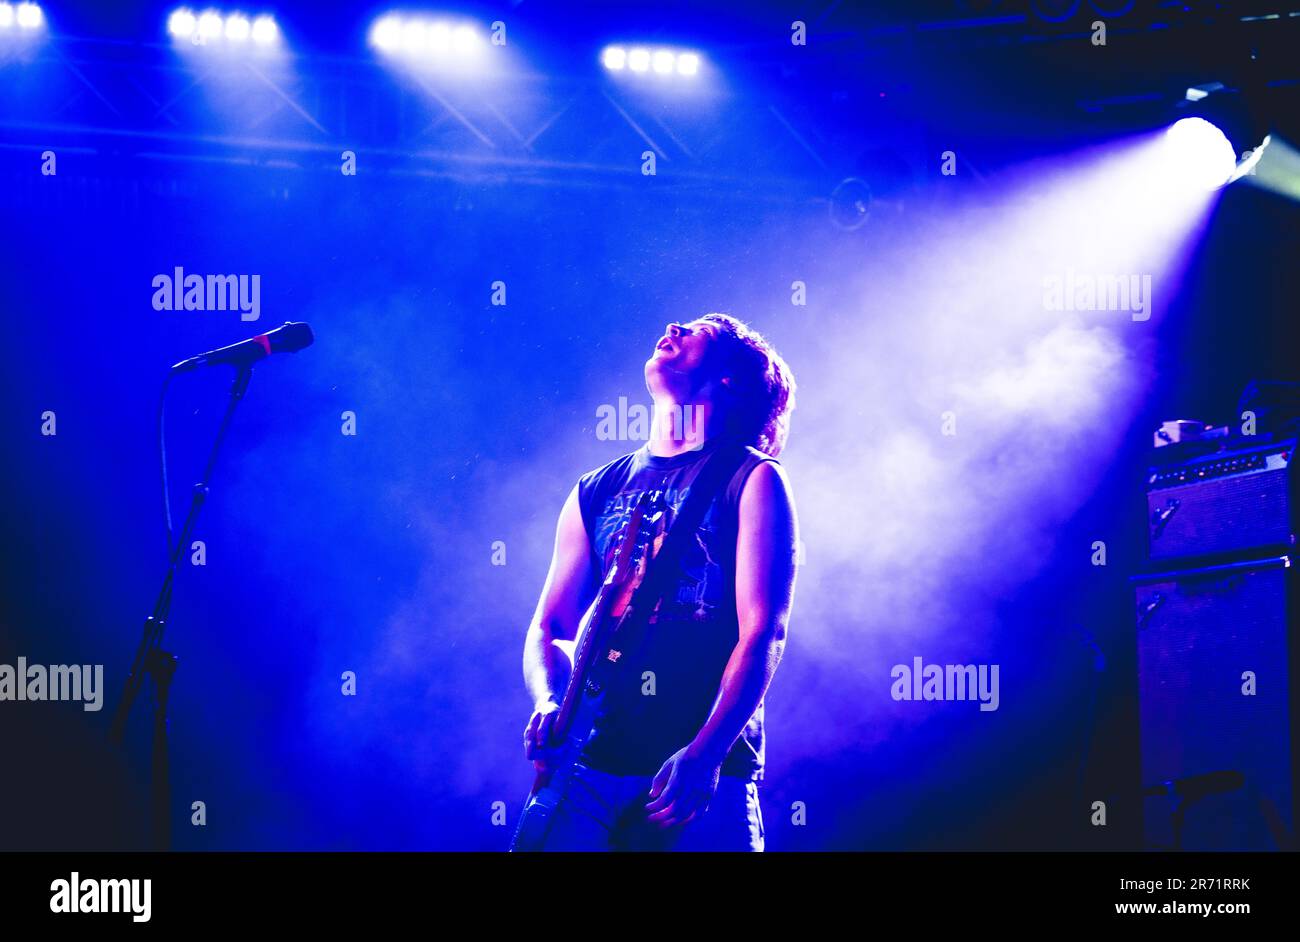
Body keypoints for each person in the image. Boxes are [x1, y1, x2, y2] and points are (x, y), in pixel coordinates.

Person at [520, 312, 799, 851]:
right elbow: (551, 627)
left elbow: (763, 630)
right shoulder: (595, 488)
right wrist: (550, 700)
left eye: (699, 332)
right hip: (584, 764)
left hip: (694, 774)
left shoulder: (754, 478)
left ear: (730, 379)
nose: (672, 326)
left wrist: (707, 753)